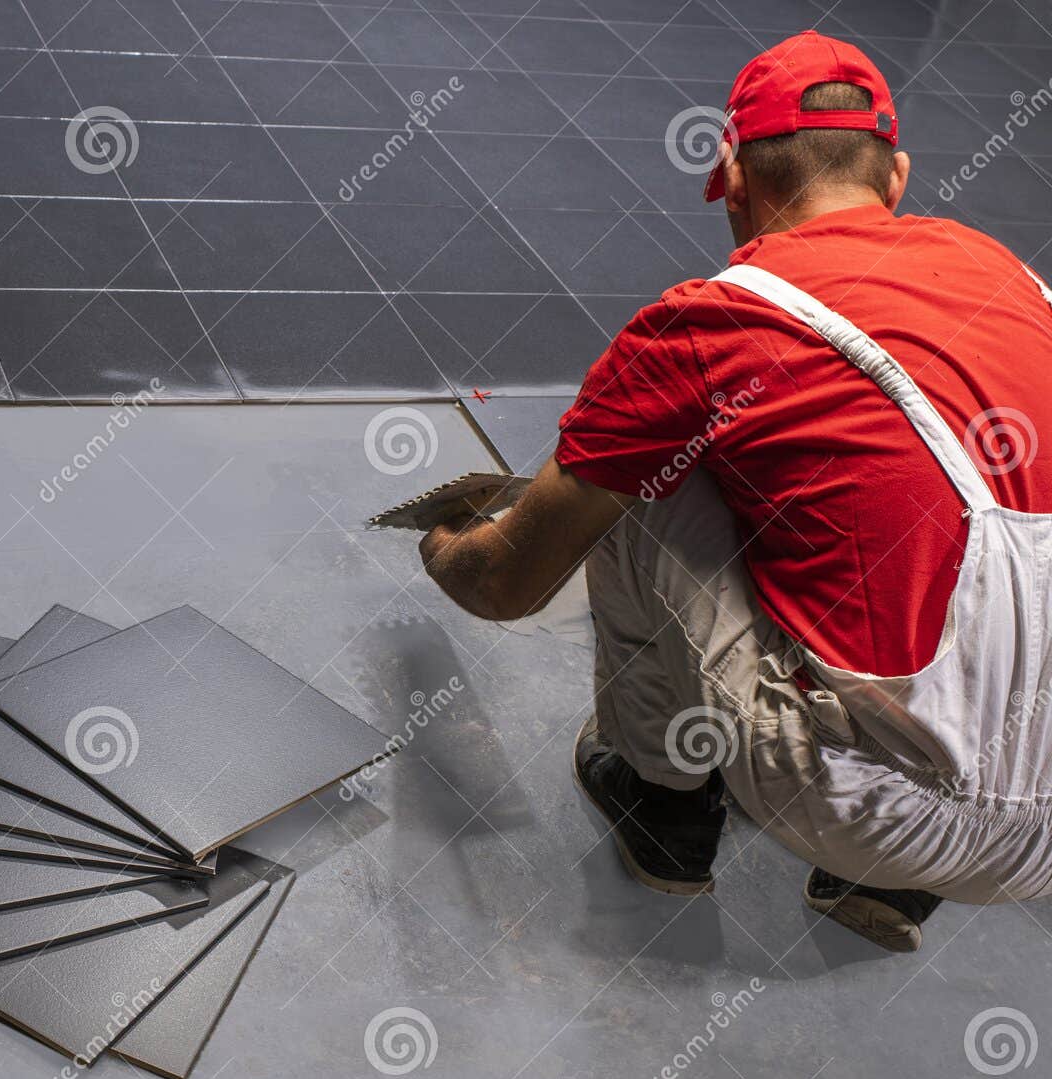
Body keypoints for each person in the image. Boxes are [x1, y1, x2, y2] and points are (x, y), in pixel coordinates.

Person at [420, 30, 1052, 952]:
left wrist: (447, 547)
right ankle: (885, 888)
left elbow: (506, 586)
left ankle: (665, 807)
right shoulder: (1023, 288)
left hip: (886, 810)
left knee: (654, 482)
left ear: (732, 176)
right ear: (898, 178)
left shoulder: (712, 324)